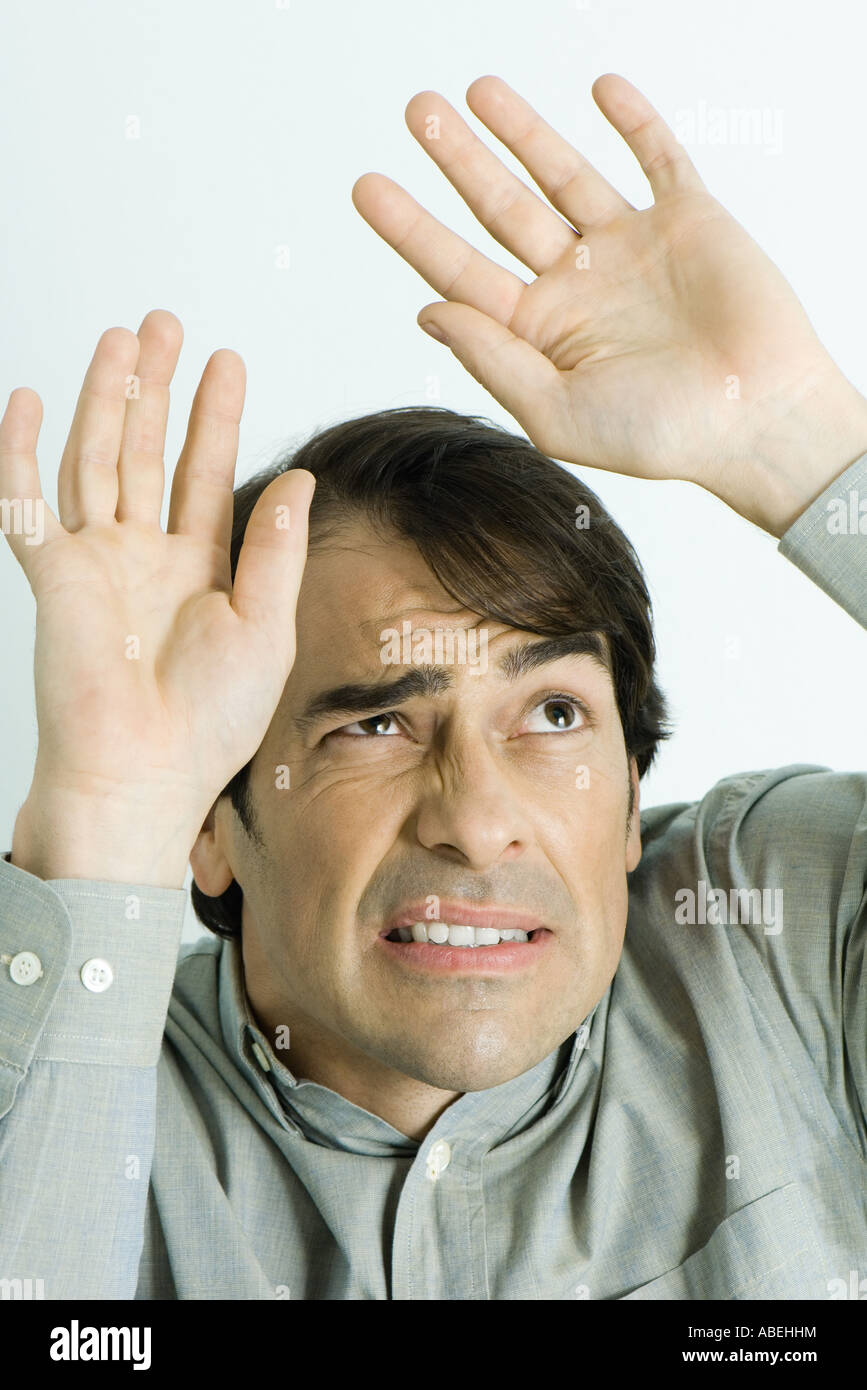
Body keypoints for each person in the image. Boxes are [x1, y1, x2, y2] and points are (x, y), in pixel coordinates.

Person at [0, 73, 864, 1301]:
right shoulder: (60, 1061)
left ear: (630, 794)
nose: (476, 817)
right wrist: (107, 809)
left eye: (554, 713)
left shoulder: (790, 935)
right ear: (213, 824)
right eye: (377, 722)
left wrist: (800, 437)